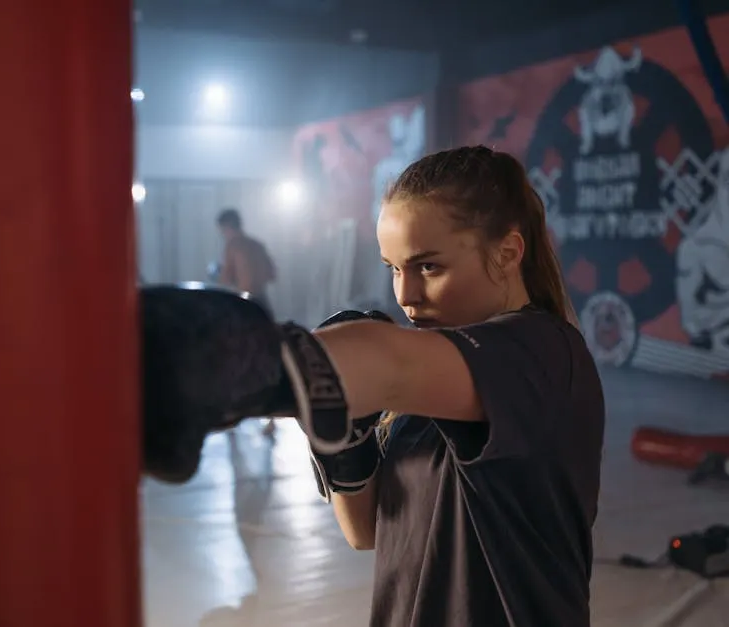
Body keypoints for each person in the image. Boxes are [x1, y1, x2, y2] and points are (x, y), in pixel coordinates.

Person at [144, 146, 604, 626]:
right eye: (394, 268)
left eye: (429, 267)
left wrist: (219, 360)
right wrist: (346, 441)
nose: (405, 295)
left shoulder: (543, 354)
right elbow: (368, 531)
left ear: (507, 253)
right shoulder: (433, 379)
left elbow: (385, 361)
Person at [215, 207, 279, 436]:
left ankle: (231, 412)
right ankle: (272, 417)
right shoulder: (257, 244)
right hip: (263, 302)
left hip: (244, 303)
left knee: (234, 355)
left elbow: (225, 278)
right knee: (270, 355)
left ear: (226, 228)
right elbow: (272, 273)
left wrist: (220, 274)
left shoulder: (233, 245)